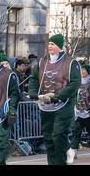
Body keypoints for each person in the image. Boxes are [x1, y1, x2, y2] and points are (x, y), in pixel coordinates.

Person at [28, 33, 79, 165]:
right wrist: (33, 92)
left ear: (59, 46)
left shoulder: (71, 62)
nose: (49, 46)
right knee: (48, 137)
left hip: (64, 105)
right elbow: (34, 79)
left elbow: (75, 83)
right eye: (49, 43)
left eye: (53, 44)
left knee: (58, 135)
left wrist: (59, 97)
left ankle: (61, 160)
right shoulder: (42, 61)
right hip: (45, 104)